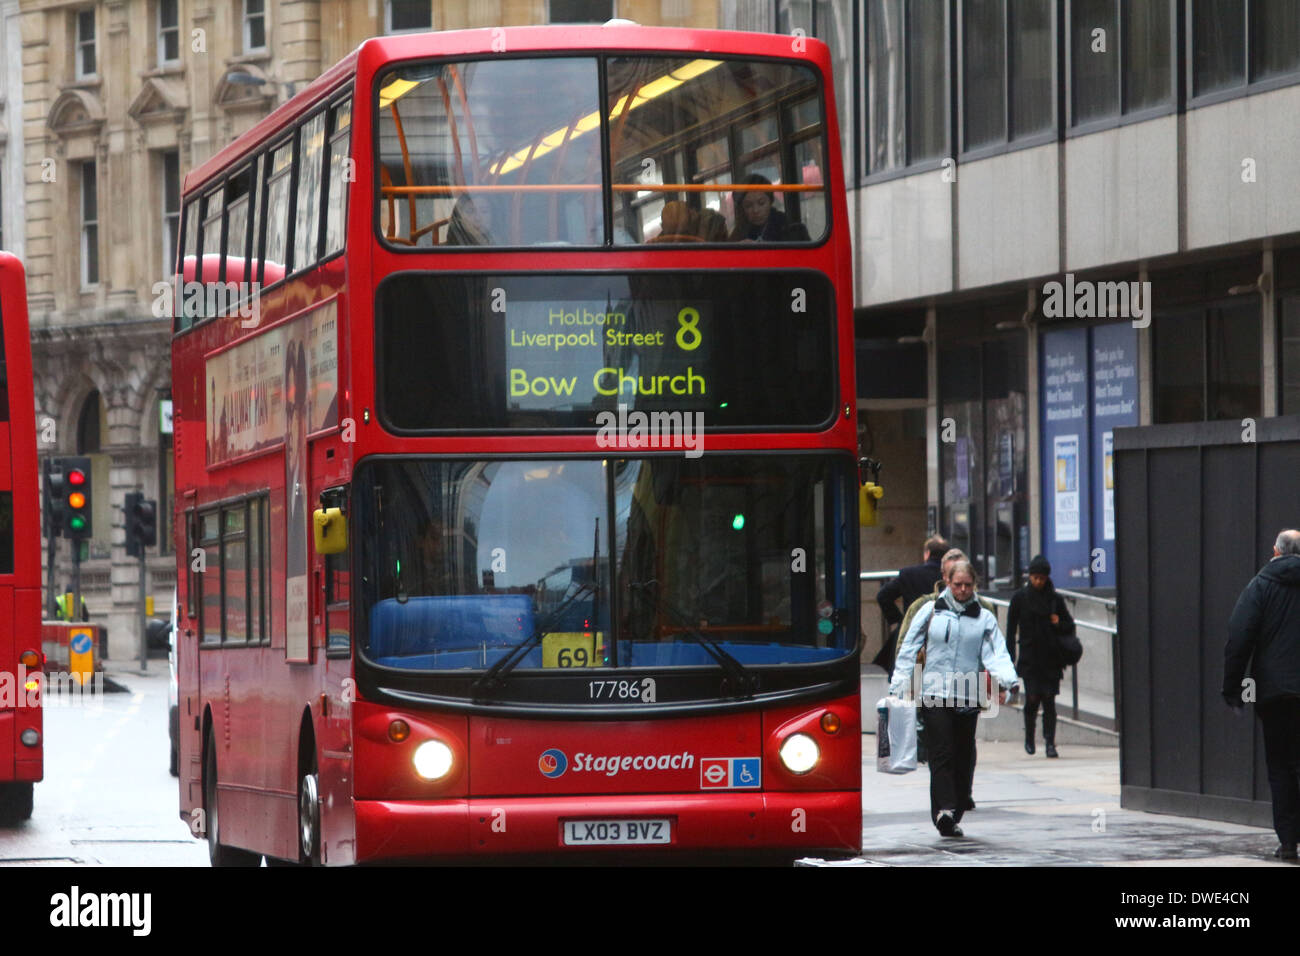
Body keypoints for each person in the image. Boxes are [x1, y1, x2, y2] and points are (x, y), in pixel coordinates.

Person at [890, 560, 1019, 837]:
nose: (962, 590)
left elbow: (996, 653)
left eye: (968, 585)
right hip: (934, 693)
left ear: (975, 586)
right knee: (941, 753)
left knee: (962, 755)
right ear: (947, 582)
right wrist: (899, 684)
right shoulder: (930, 610)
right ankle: (944, 810)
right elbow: (909, 647)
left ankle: (955, 810)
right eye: (957, 584)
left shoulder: (983, 617)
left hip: (966, 694)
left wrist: (1009, 680)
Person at [1224, 529, 1300, 862]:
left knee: (1281, 766)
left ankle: (1288, 843)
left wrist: (1233, 689)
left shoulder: (1259, 587)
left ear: (1275, 551)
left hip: (1274, 696)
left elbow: (1239, 639)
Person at [1007, 555, 1075, 758]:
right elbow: (1011, 629)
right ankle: (1029, 737)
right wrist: (1010, 657)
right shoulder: (1020, 598)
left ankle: (1050, 742)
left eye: (1042, 578)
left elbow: (1069, 626)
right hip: (1030, 657)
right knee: (1032, 698)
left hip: (1051, 657)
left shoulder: (1055, 599)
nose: (1038, 582)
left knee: (1049, 700)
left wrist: (1057, 622)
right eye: (1035, 578)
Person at [873, 535, 948, 673]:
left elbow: (883, 595)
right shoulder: (951, 577)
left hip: (913, 632)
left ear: (927, 554)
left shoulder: (909, 574)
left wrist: (899, 619)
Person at [727, 174, 811, 242]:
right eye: (748, 205)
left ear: (771, 201)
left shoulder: (791, 229)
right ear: (742, 208)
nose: (756, 210)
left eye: (761, 203)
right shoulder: (740, 231)